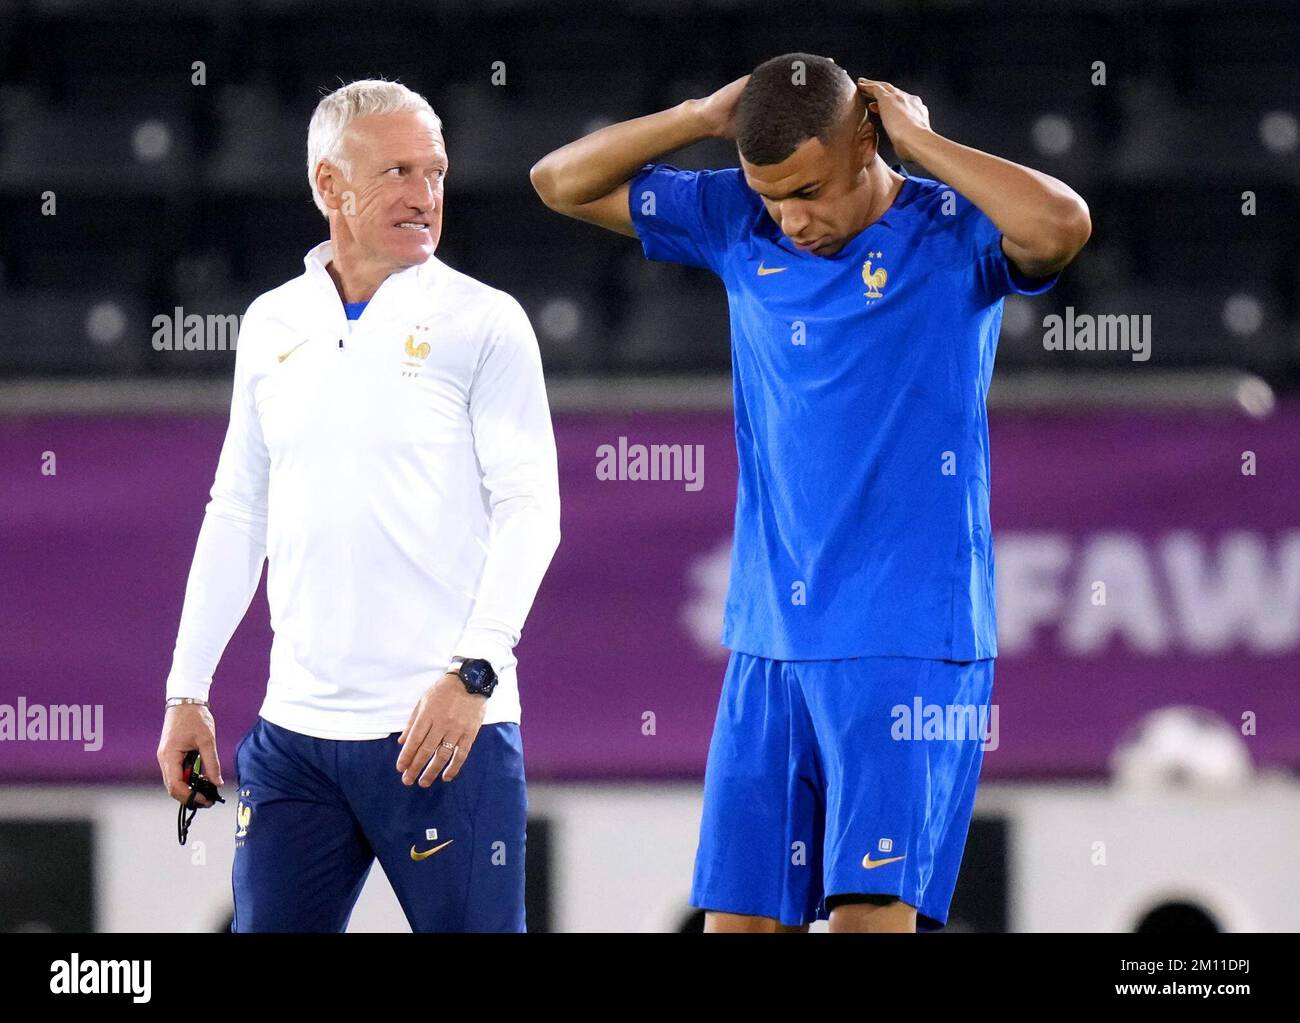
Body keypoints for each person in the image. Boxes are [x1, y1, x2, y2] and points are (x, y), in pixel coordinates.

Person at [531, 53, 1089, 932]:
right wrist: (695, 117)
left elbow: (1061, 224)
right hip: (770, 639)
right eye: (773, 196)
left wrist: (923, 140)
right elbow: (557, 181)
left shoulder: (952, 229)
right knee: (738, 923)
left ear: (865, 141)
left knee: (868, 919)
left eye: (810, 191)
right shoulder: (734, 219)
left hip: (906, 638)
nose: (793, 219)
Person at [157, 79, 561, 933]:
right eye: (399, 172)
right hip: (294, 740)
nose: (425, 196)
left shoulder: (484, 321)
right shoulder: (271, 323)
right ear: (327, 185)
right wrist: (185, 689)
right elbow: (238, 509)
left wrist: (474, 672)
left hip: (445, 735)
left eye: (438, 173)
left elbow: (533, 507)